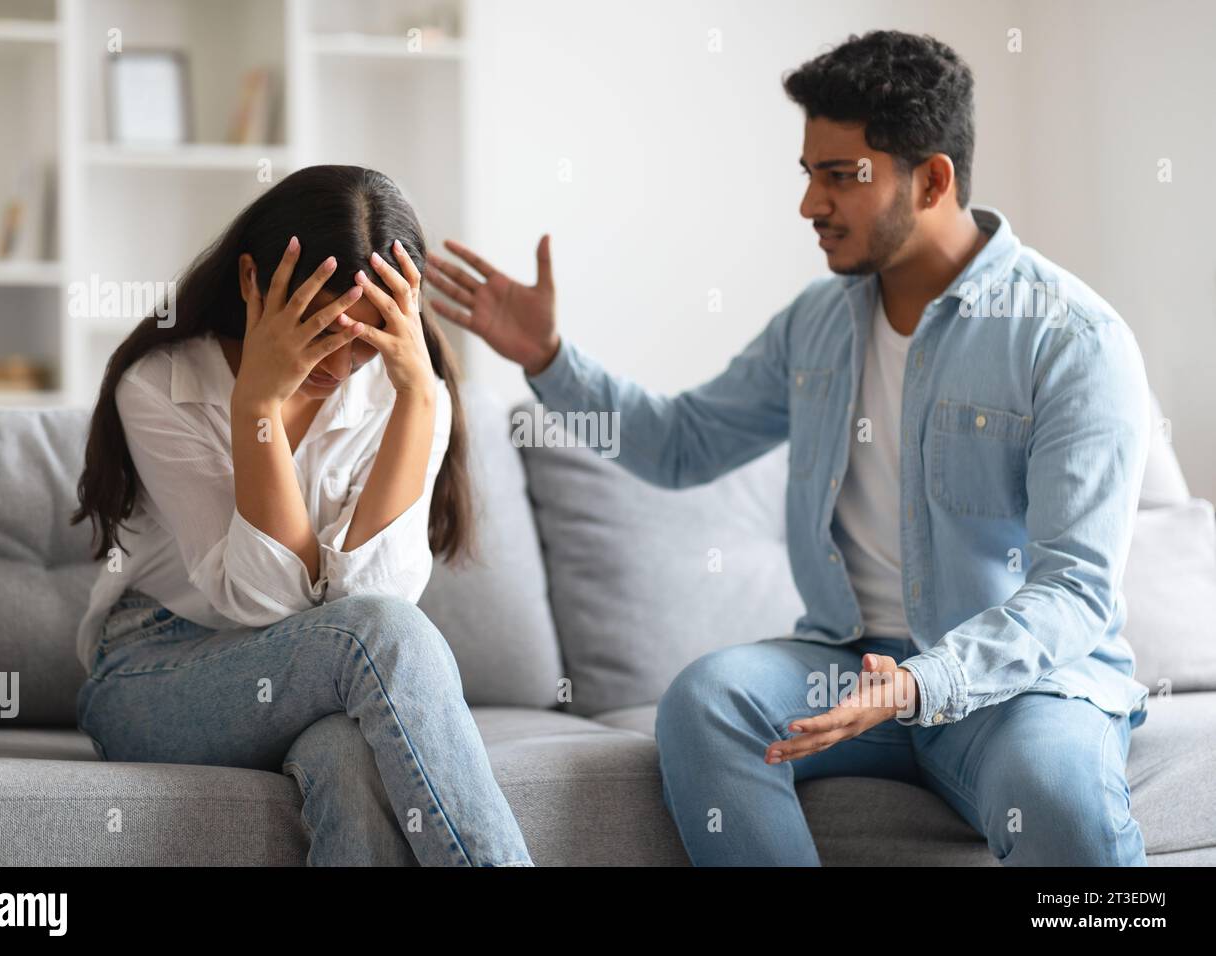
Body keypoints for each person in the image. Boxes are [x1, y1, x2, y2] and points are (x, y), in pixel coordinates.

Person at [426, 30, 1152, 866]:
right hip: (849, 663)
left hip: (1018, 685)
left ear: (934, 180)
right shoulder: (819, 323)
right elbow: (682, 444)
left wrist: (926, 683)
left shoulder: (1071, 339)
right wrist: (551, 361)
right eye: (808, 173)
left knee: (1057, 793)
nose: (810, 204)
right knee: (709, 699)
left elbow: (1076, 589)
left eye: (842, 176)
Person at [70, 165, 533, 867]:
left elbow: (369, 597)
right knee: (381, 636)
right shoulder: (163, 386)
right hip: (156, 671)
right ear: (254, 280)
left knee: (350, 755)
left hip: (315, 680)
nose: (346, 361)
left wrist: (415, 402)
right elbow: (272, 603)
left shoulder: (407, 392)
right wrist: (256, 408)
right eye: (324, 326)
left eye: (370, 333)